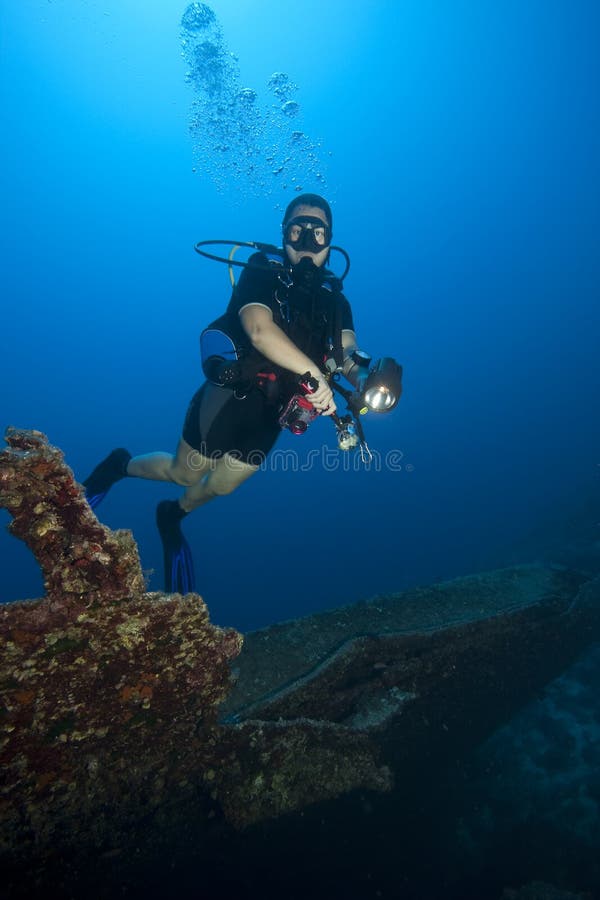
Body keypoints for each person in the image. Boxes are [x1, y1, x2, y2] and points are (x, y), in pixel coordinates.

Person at [83, 194, 371, 593]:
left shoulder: (336, 302)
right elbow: (257, 328)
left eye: (317, 233)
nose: (306, 242)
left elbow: (348, 353)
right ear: (283, 234)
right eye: (297, 230)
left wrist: (370, 377)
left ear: (330, 241)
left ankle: (172, 515)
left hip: (273, 415)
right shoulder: (261, 272)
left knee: (222, 485)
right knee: (184, 472)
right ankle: (120, 464)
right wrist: (315, 377)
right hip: (230, 396)